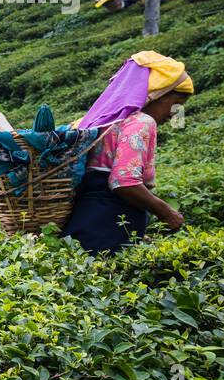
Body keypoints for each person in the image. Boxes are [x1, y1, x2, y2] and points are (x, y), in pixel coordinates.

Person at [62, 52, 193, 254]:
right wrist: (166, 212)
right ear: (158, 93)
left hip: (83, 224)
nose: (176, 113)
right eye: (177, 103)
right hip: (108, 228)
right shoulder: (141, 122)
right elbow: (124, 183)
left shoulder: (95, 122)